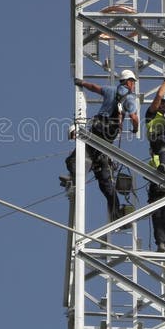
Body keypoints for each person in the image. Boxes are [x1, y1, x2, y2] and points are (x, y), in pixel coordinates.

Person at [62, 69, 140, 222]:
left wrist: (81, 83)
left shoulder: (110, 90)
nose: (134, 86)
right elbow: (134, 117)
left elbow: (93, 87)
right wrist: (135, 128)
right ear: (129, 82)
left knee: (74, 159)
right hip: (106, 138)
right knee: (107, 185)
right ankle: (116, 214)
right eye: (133, 83)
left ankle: (73, 179)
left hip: (96, 130)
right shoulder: (130, 98)